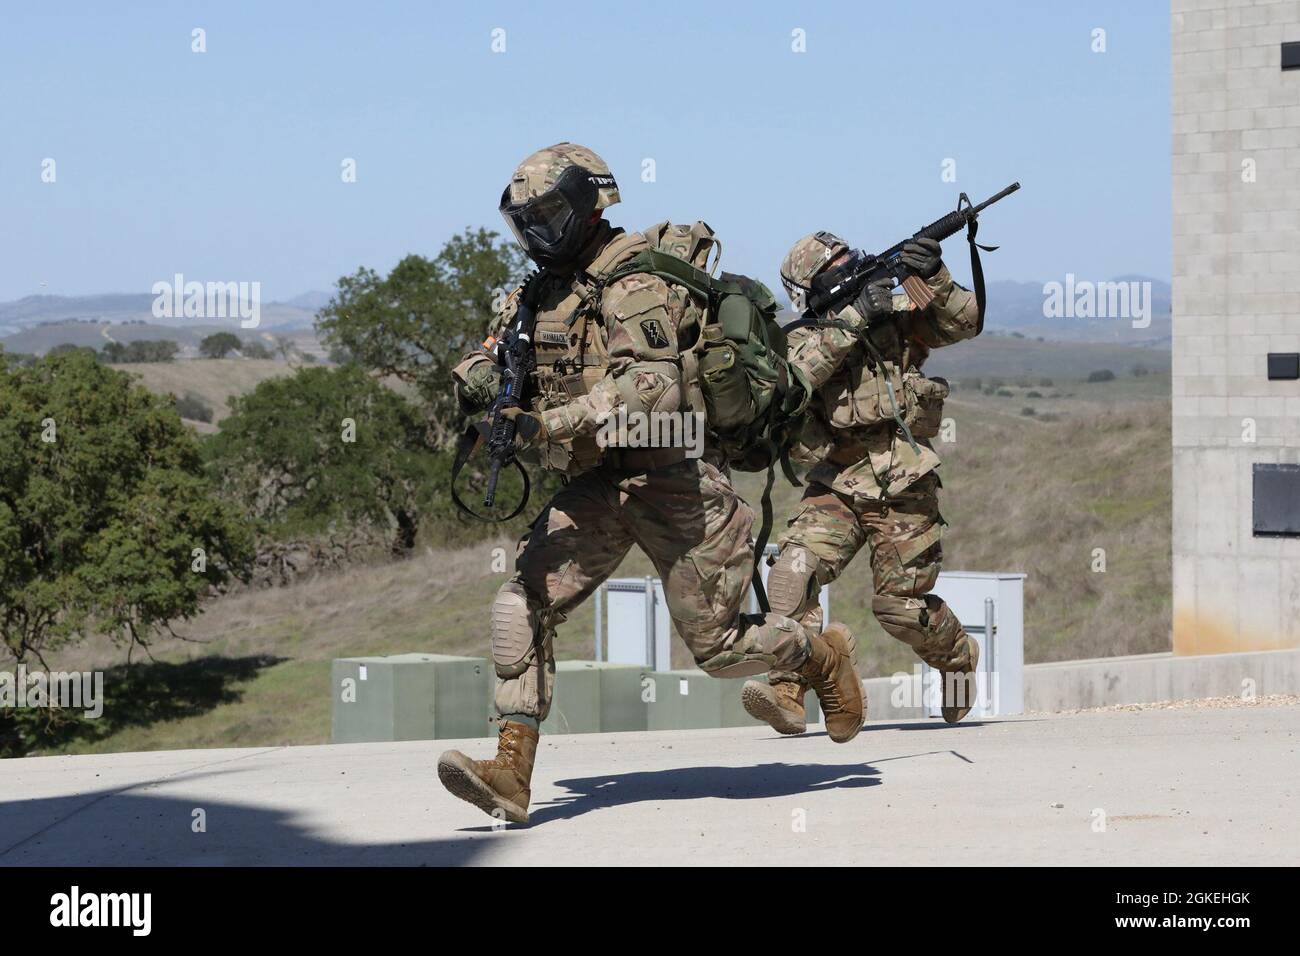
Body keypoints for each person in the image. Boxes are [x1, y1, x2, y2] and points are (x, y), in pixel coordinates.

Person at [437, 144, 863, 824]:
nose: (538, 233)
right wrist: (480, 381)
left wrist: (544, 426)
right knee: (522, 604)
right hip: (595, 482)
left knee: (720, 651)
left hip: (674, 478)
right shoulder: (536, 292)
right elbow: (487, 353)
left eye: (549, 216)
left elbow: (652, 387)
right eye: (527, 222)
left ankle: (818, 653)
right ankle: (511, 771)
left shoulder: (632, 282)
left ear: (588, 205)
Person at [740, 230, 982, 735]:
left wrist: (934, 273)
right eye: (836, 268)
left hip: (904, 481)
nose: (850, 270)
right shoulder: (804, 335)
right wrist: (854, 319)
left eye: (851, 260)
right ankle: (788, 686)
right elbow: (796, 377)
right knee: (789, 574)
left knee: (898, 609)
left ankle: (958, 659)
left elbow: (966, 322)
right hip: (839, 483)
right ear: (811, 290)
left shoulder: (897, 314)